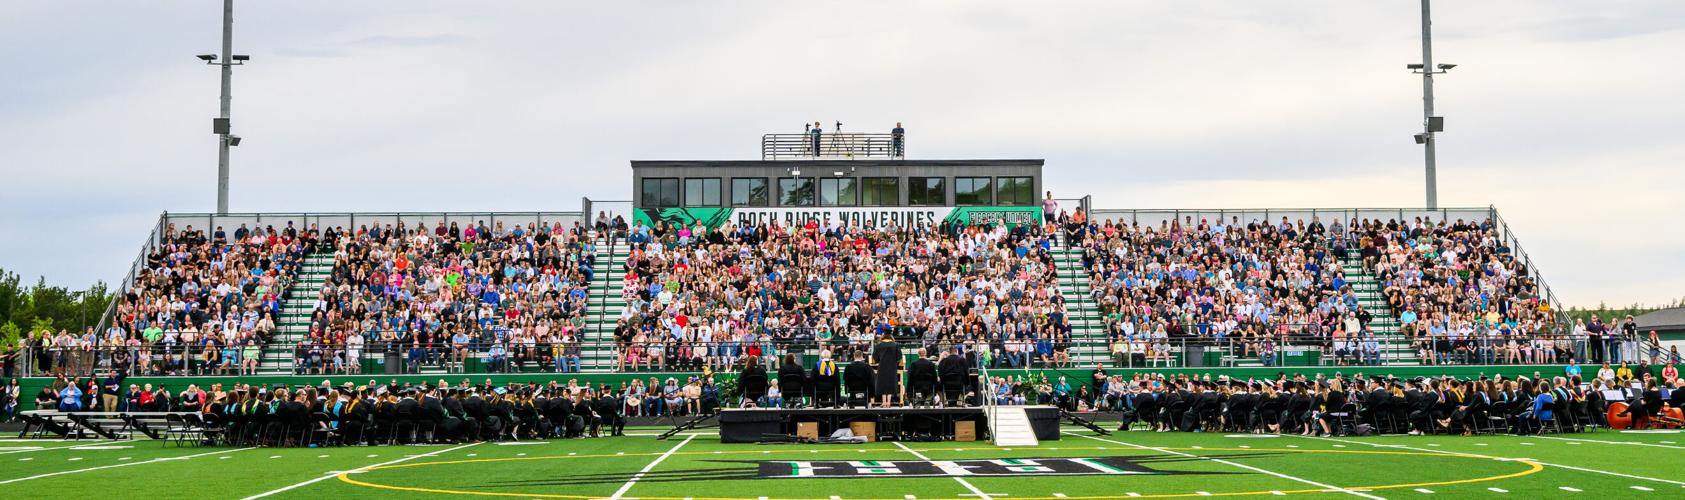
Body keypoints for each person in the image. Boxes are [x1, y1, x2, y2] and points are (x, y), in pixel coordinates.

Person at [870, 333, 902, 408]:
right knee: (890, 383)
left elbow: (875, 357)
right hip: (892, 367)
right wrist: (895, 362)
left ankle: (884, 402)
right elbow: (899, 357)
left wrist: (879, 360)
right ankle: (888, 402)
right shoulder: (895, 345)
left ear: (883, 337)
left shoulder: (879, 345)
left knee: (883, 384)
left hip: (882, 367)